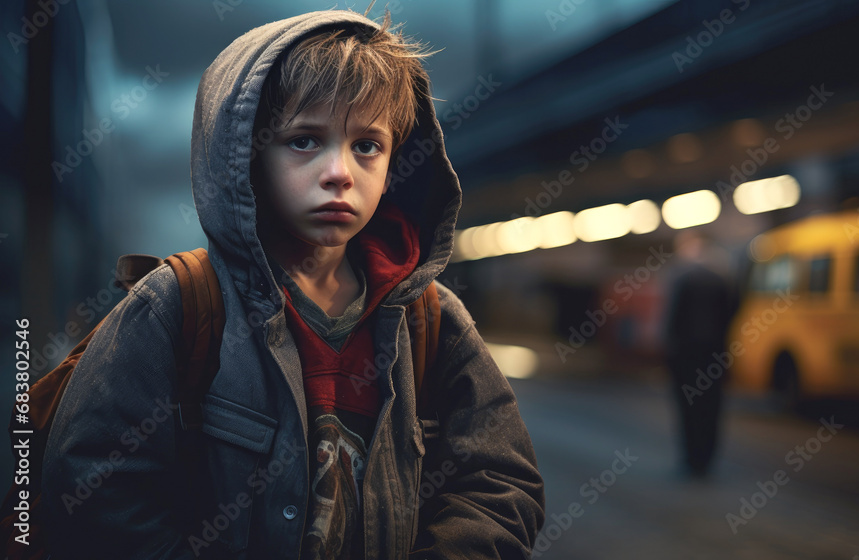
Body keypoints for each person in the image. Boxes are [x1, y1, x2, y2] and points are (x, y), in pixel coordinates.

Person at [41, 8, 544, 559]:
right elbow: (92, 488)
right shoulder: (175, 308)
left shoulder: (431, 317)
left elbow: (502, 483)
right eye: (305, 141)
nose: (340, 172)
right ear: (245, 158)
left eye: (367, 145)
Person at [662, 230, 734, 477]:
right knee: (711, 409)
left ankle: (692, 458)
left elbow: (672, 322)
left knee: (688, 409)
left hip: (686, 357)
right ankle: (707, 458)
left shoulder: (682, 279)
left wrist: (669, 356)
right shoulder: (721, 280)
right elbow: (731, 317)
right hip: (714, 355)